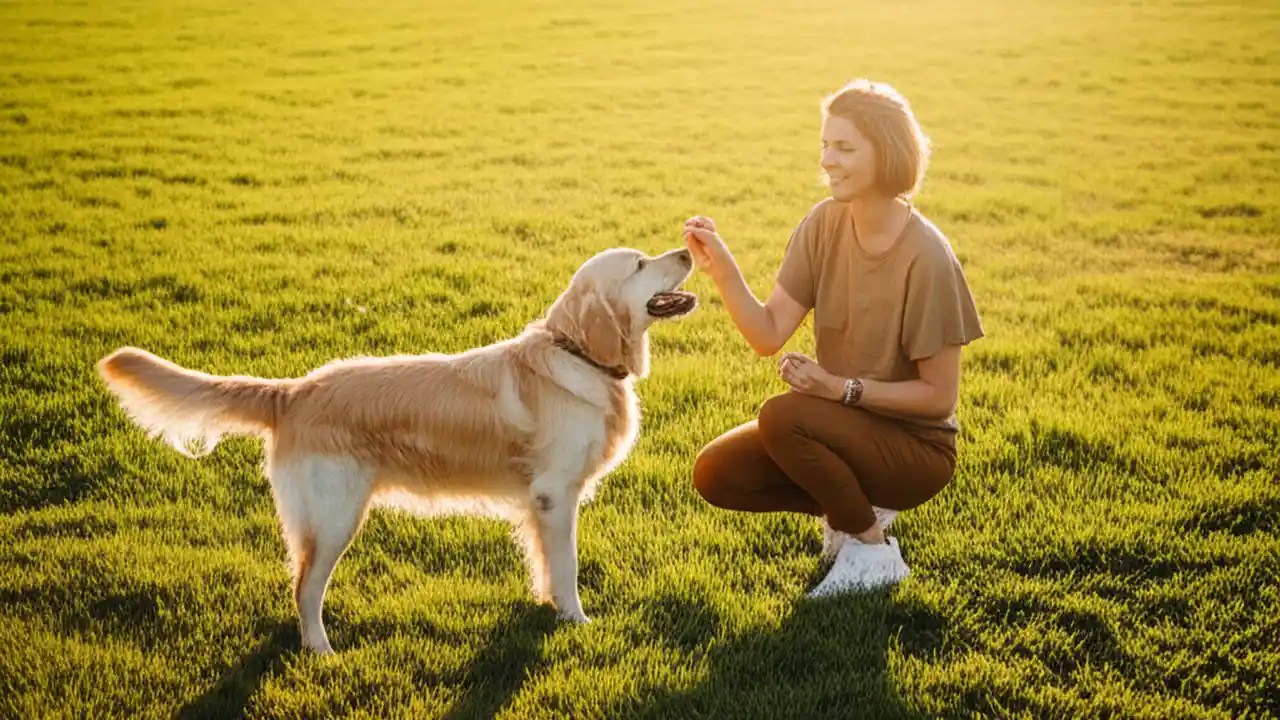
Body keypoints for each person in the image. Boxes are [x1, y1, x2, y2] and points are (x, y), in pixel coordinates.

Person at [684, 79, 983, 597]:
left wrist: (838, 388)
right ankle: (852, 512)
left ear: (886, 153)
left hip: (917, 449)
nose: (827, 159)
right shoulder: (824, 224)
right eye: (825, 144)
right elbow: (768, 334)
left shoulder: (927, 257)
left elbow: (939, 398)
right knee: (717, 472)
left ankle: (870, 548)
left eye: (845, 147)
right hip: (844, 427)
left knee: (783, 416)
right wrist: (722, 269)